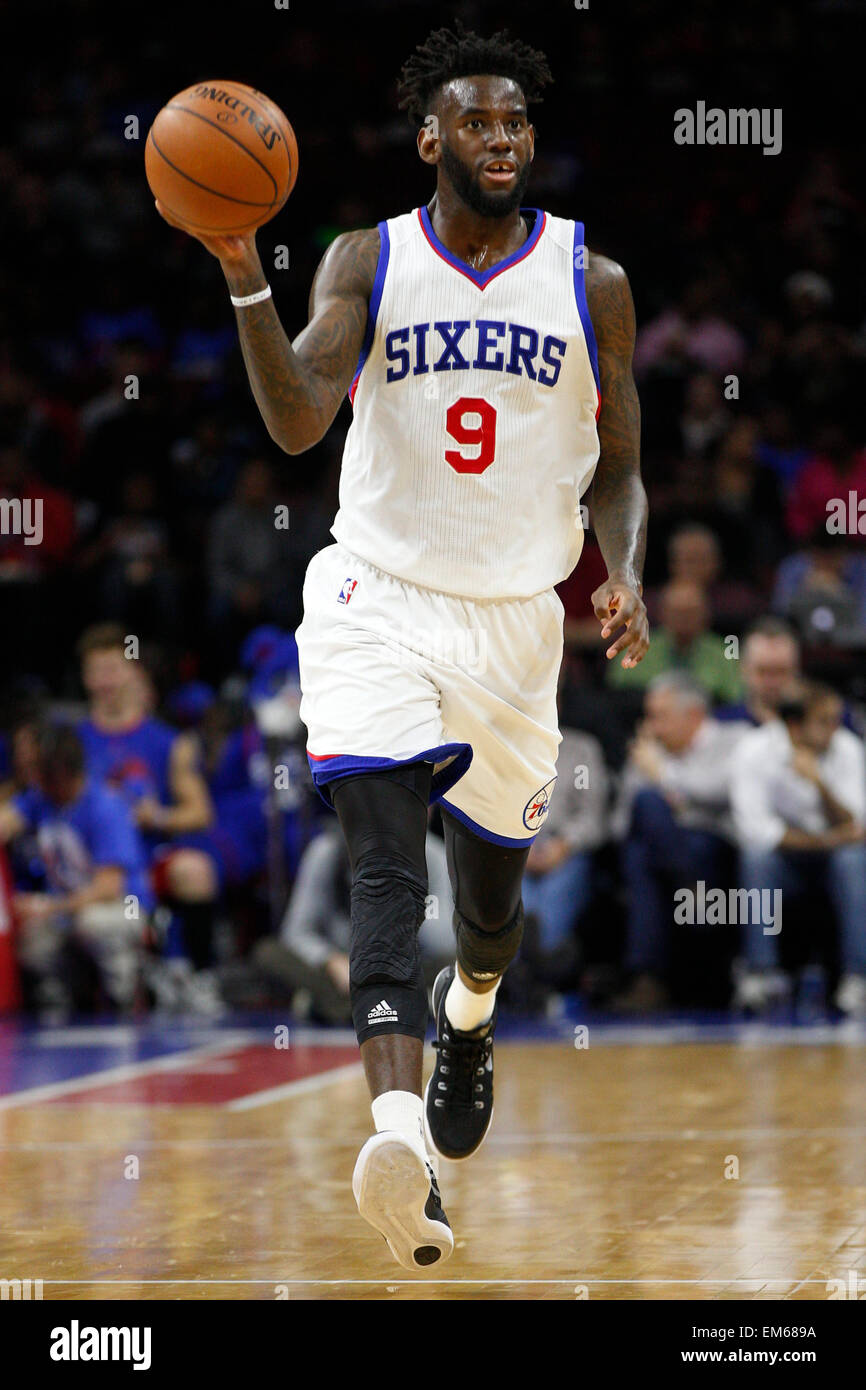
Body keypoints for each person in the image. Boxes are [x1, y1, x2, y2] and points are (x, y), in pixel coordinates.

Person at [154, 22, 650, 1269]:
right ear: (429, 138)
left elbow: (623, 471)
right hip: (374, 590)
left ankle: (468, 1018)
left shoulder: (591, 282)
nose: (500, 140)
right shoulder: (364, 261)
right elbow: (295, 417)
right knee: (383, 861)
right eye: (474, 122)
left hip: (513, 625)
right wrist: (239, 272)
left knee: (487, 917)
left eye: (515, 123)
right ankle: (397, 1143)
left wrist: (627, 570)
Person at [75, 623, 222, 1008]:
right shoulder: (73, 742)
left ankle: (200, 975)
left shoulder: (167, 741)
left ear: (131, 671)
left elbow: (199, 812)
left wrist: (154, 816)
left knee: (195, 869)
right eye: (96, 671)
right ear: (85, 678)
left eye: (112, 668)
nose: (105, 680)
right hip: (90, 867)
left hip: (147, 860)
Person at [612, 673, 748, 1011]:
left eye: (660, 717)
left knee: (644, 845)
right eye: (650, 717)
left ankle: (647, 978)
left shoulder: (733, 739)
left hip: (718, 847)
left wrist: (662, 775)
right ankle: (693, 894)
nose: (652, 727)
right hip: (677, 862)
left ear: (694, 715)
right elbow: (619, 823)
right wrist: (648, 776)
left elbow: (722, 793)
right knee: (641, 839)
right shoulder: (651, 751)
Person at [730, 682, 866, 1016]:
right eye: (824, 721)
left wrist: (820, 783)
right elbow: (756, 831)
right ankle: (761, 975)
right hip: (783, 863)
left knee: (852, 861)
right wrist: (827, 840)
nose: (835, 729)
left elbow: (857, 824)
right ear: (794, 726)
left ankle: (857, 978)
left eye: (836, 720)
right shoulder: (752, 750)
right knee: (757, 858)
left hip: (833, 862)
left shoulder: (847, 747)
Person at [0, 723, 152, 1017]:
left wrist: (49, 907)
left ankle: (129, 988)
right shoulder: (41, 798)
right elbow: (6, 822)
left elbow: (110, 886)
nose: (32, 777)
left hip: (129, 903)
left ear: (59, 771)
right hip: (72, 908)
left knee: (95, 924)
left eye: (38, 769)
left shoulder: (105, 805)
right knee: (34, 941)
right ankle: (73, 993)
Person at [252, 823, 456, 1023]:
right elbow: (296, 932)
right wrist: (329, 960)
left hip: (404, 966)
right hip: (342, 969)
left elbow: (445, 942)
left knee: (459, 961)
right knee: (267, 952)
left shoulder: (430, 854)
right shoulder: (327, 851)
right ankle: (400, 1005)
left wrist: (408, 903)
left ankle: (334, 1006)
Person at [607, 579, 741, 703]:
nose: (684, 619)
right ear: (662, 613)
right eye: (677, 612)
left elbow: (736, 698)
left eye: (691, 612)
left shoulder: (725, 652)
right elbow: (616, 696)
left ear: (706, 614)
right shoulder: (633, 648)